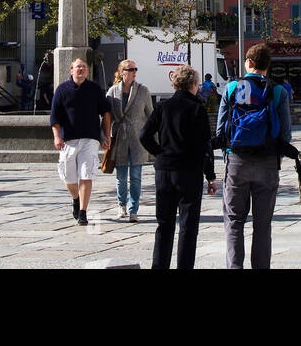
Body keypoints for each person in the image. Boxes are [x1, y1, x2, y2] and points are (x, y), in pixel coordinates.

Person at [215, 42, 291, 269]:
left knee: (234, 221)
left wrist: (228, 154)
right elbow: (285, 133)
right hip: (267, 162)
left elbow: (221, 130)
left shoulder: (231, 88)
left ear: (248, 63)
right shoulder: (277, 91)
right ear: (268, 66)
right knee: (263, 224)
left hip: (237, 161)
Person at [140, 64, 217, 269]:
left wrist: (160, 153)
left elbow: (144, 135)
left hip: (164, 170)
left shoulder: (163, 107)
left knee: (164, 225)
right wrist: (210, 176)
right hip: (189, 170)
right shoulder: (197, 108)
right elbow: (205, 146)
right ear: (193, 84)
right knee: (188, 227)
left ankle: (159, 266)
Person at [50, 58, 113, 226]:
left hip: (90, 139)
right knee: (69, 177)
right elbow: (54, 116)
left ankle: (83, 212)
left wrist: (106, 135)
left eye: (84, 67)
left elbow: (106, 112)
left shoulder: (94, 89)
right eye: (78, 67)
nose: (81, 69)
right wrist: (57, 136)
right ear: (71, 70)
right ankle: (76, 198)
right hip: (68, 140)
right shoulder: (62, 90)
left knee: (87, 174)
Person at [106, 59, 154, 222]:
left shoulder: (143, 91)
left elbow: (151, 116)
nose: (134, 72)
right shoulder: (112, 91)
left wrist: (154, 139)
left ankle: (134, 209)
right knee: (121, 176)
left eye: (135, 69)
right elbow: (106, 117)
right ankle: (121, 205)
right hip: (120, 137)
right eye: (130, 69)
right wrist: (104, 136)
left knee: (135, 176)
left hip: (137, 138)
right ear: (121, 72)